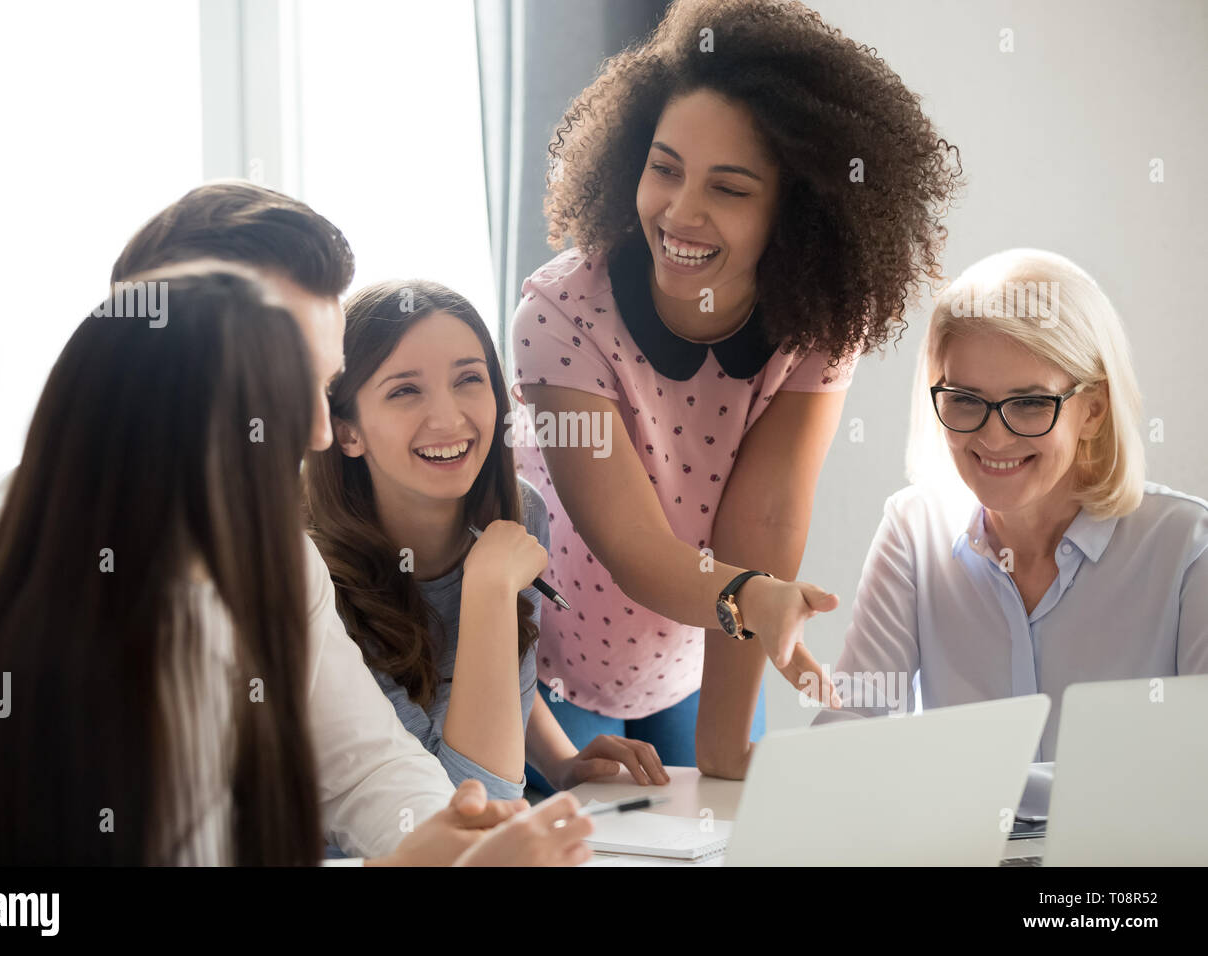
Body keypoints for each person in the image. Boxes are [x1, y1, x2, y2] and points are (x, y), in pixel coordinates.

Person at [0, 184, 592, 865]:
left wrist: (462, 840)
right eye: (288, 382)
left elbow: (365, 767)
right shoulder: (4, 570)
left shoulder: (280, 560)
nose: (322, 433)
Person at [509, 0, 962, 779]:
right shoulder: (559, 316)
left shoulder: (821, 322)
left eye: (730, 187)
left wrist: (724, 743)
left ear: (793, 210)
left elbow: (768, 516)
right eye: (665, 168)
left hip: (701, 656)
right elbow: (633, 547)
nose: (681, 211)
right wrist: (753, 600)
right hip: (554, 672)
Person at [818, 248, 1208, 760]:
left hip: (1128, 844)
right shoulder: (915, 529)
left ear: (1092, 410)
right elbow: (851, 730)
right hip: (958, 843)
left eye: (1029, 403)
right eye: (964, 399)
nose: (993, 437)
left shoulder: (1185, 547)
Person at [303, 280, 669, 799]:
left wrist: (561, 762)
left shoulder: (520, 513)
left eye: (469, 379)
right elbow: (467, 812)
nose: (450, 418)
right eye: (405, 390)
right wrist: (489, 591)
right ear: (347, 431)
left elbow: (492, 669)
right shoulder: (306, 570)